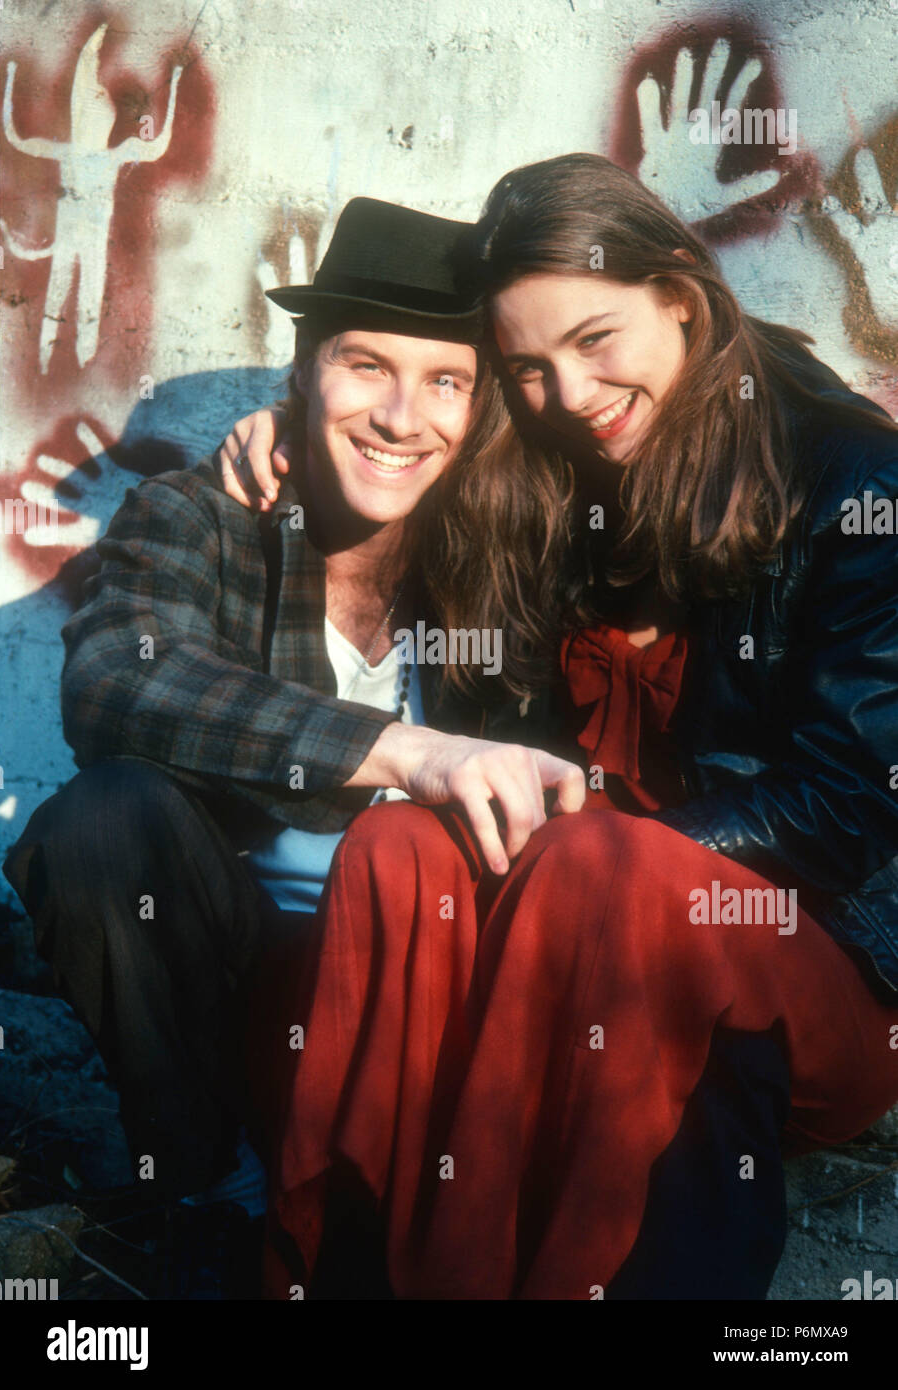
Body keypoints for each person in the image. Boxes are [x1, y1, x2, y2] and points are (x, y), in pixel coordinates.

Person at [220, 155, 898, 1300]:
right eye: (525, 368)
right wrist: (290, 436)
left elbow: (845, 807)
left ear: (678, 298)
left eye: (596, 340)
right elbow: (387, 441)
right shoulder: (542, 474)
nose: (567, 394)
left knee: (590, 858)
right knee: (397, 845)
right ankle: (358, 1266)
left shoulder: (852, 485)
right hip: (568, 947)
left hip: (811, 972)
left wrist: (591, 846)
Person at [1, 196, 587, 1296]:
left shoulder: (509, 543)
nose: (402, 415)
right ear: (307, 368)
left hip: (418, 988)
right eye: (366, 366)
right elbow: (116, 679)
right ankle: (202, 1188)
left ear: (480, 407)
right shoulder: (200, 515)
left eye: (446, 381)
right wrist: (410, 750)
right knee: (96, 823)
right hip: (228, 975)